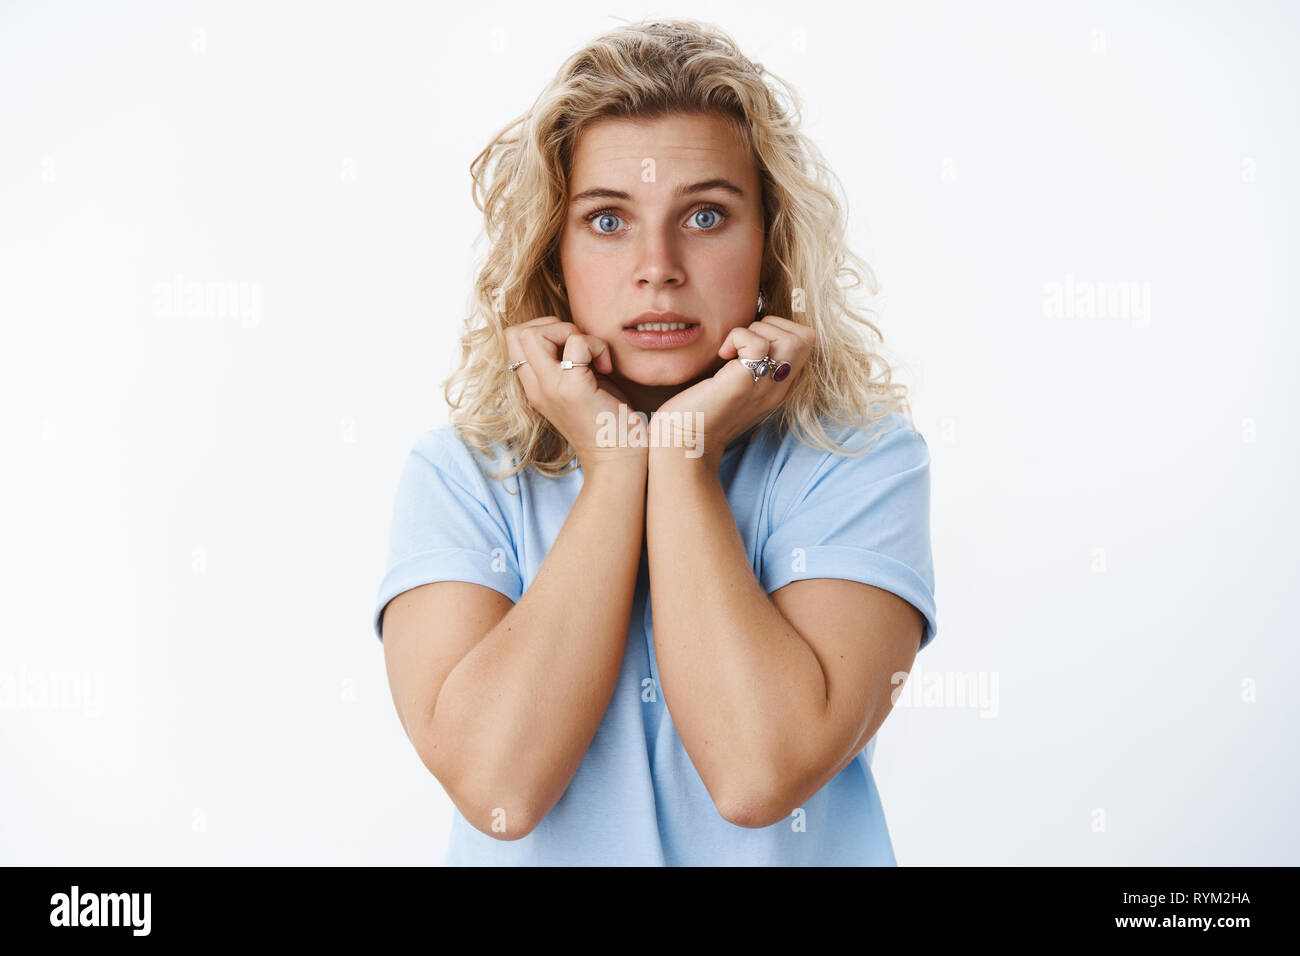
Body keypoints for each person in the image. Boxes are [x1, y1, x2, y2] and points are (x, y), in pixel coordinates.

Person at [372, 18, 938, 866]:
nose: (658, 265)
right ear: (553, 254)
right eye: (607, 221)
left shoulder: (859, 461)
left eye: (706, 215)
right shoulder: (463, 476)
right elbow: (500, 792)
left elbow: (757, 776)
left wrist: (681, 456)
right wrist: (613, 465)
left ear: (771, 242)